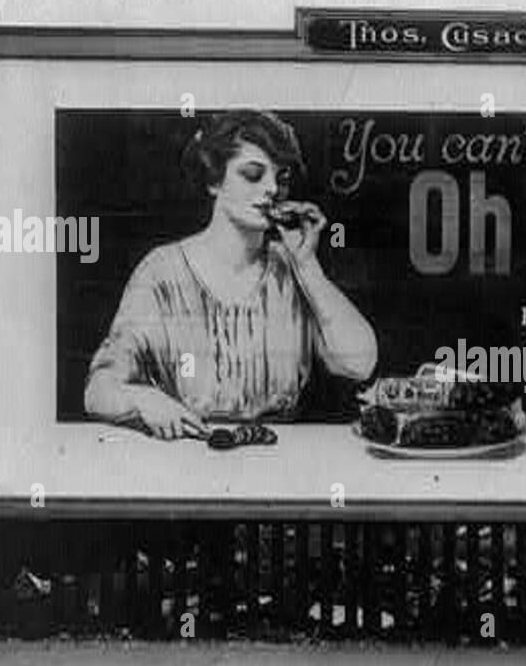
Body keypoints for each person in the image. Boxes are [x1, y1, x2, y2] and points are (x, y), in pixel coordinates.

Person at [84, 110, 378, 439]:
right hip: (190, 460)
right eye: (253, 174)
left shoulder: (294, 269)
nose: (271, 190)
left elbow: (360, 364)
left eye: (281, 178)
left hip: (281, 462)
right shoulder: (162, 272)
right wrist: (142, 398)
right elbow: (98, 389)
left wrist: (308, 266)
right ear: (213, 181)